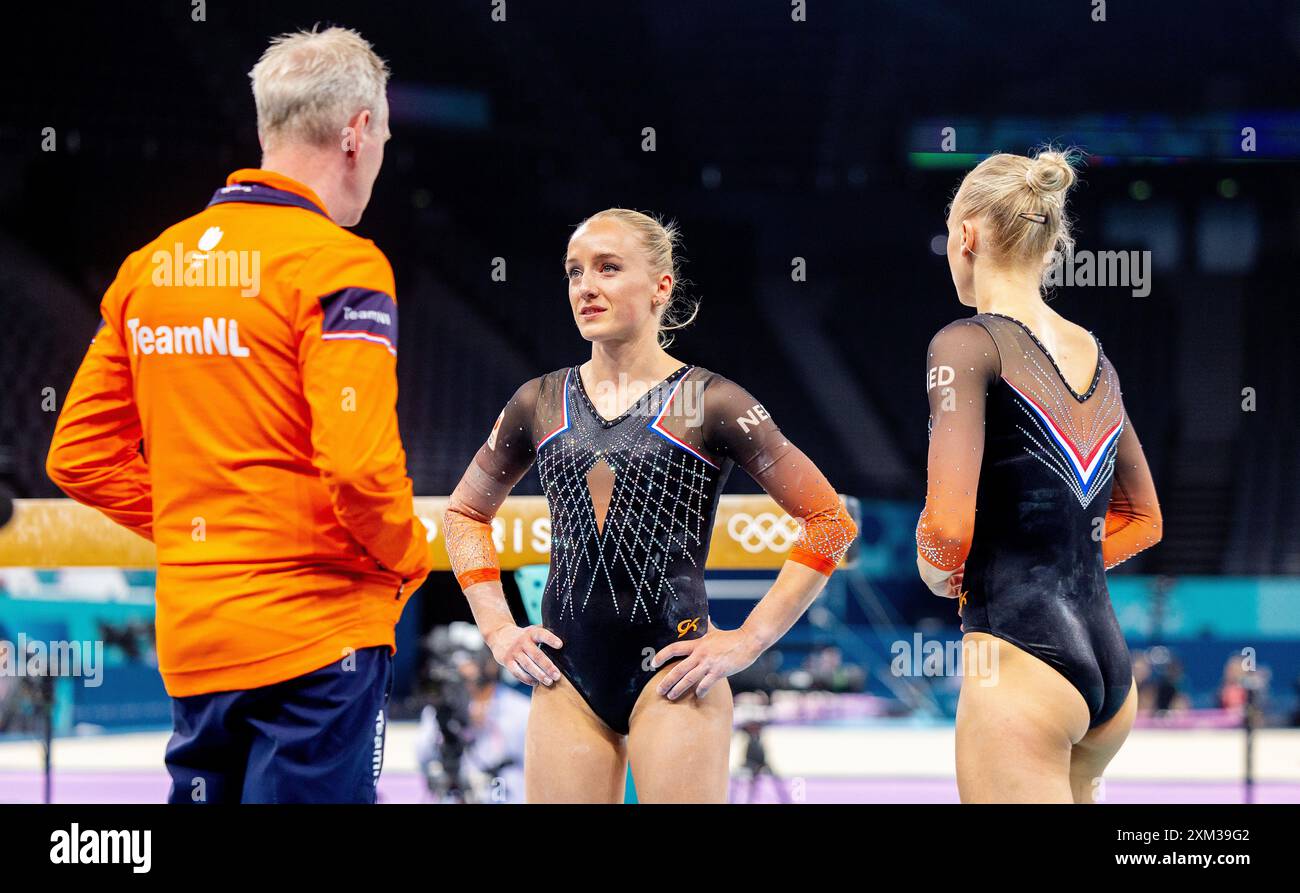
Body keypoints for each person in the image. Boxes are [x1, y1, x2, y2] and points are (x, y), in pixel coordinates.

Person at [45, 26, 431, 803]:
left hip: (197, 641)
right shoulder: (340, 263)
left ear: (268, 129)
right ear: (357, 131)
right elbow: (358, 468)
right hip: (319, 641)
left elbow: (76, 455)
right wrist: (408, 555)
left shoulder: (153, 263)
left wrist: (209, 528)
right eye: (383, 133)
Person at [443, 208, 858, 802]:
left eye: (608, 268)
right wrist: (496, 628)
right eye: (574, 272)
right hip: (567, 680)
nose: (586, 287)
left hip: (675, 676)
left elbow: (829, 522)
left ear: (663, 286)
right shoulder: (538, 401)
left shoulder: (709, 402)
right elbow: (463, 514)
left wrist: (750, 639)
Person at [915, 148, 1162, 803]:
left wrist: (940, 570)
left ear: (966, 233)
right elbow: (1144, 519)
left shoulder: (966, 344)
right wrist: (1058, 562)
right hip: (1109, 669)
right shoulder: (1097, 360)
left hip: (1019, 659)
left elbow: (946, 524)